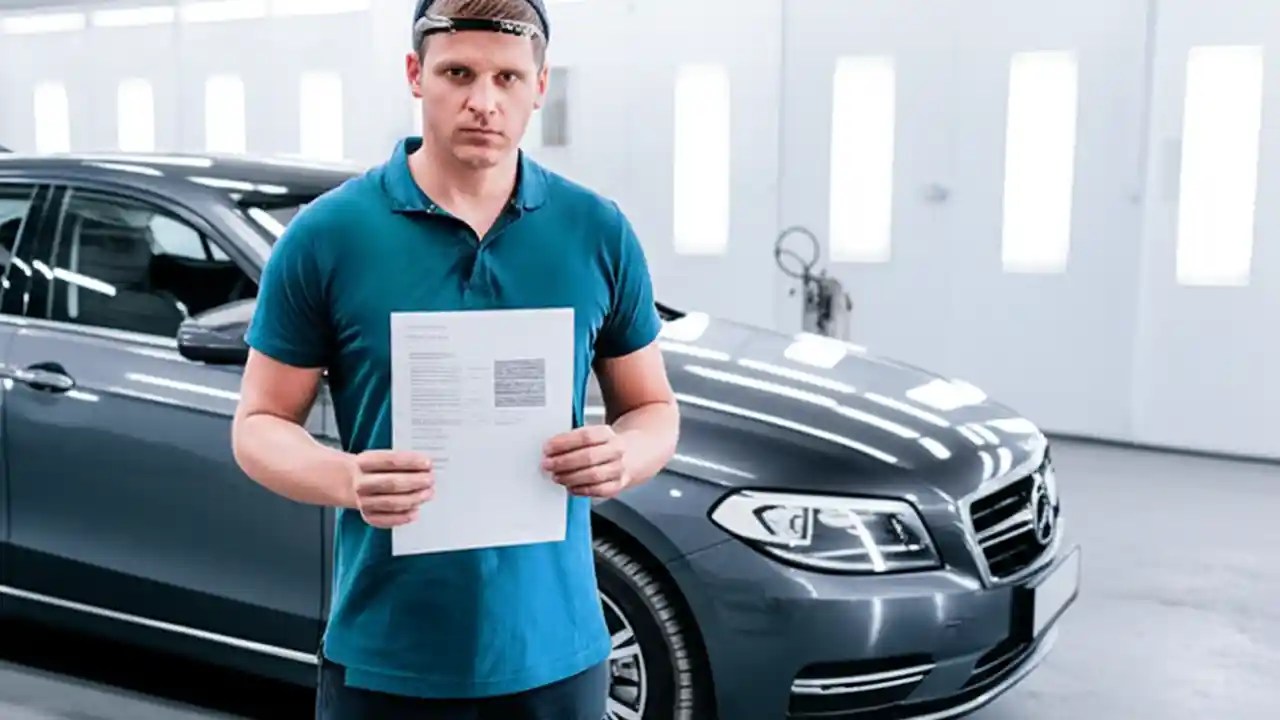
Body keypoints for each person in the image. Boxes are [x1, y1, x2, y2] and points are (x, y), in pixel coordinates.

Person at [229, 0, 680, 717]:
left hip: (557, 651)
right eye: (457, 73)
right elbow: (257, 426)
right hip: (389, 652)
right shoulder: (327, 237)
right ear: (415, 74)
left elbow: (653, 408)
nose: (482, 101)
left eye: (507, 78)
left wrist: (624, 456)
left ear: (540, 86)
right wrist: (345, 477)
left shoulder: (597, 230)